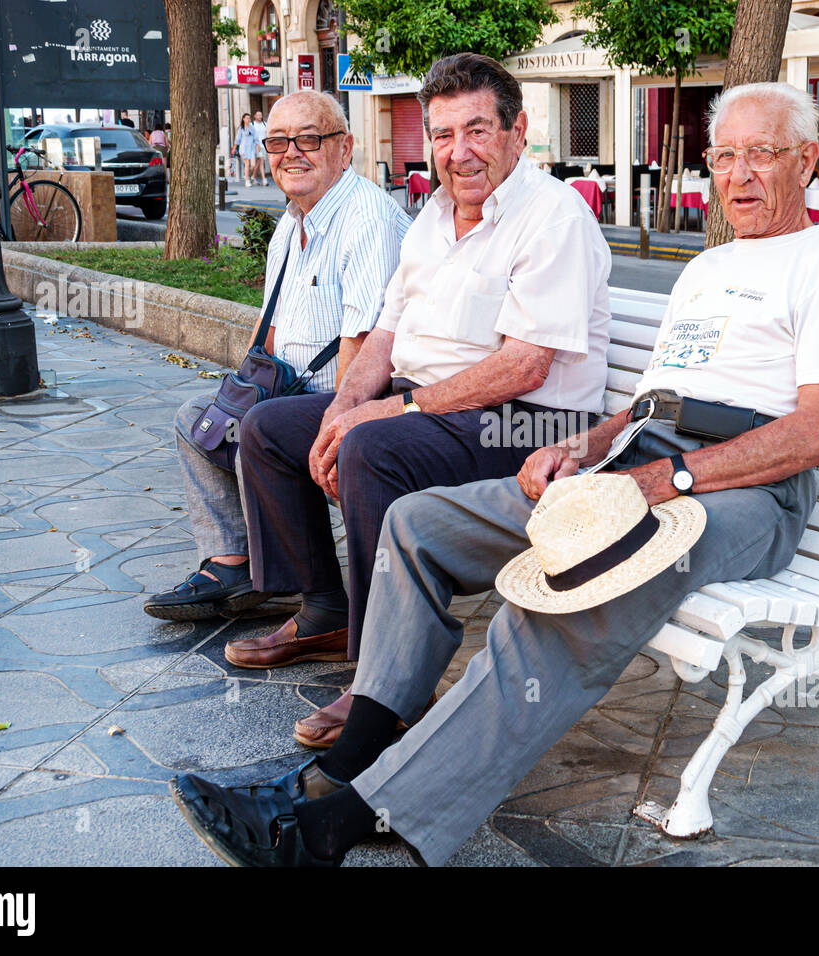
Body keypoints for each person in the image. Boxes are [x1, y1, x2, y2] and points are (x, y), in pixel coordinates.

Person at [170, 80, 819, 867]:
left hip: (744, 492)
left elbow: (817, 432)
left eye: (763, 154)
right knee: (416, 528)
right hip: (639, 464)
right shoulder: (708, 270)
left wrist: (666, 481)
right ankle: (355, 756)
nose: (740, 174)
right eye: (725, 156)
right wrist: (584, 447)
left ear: (809, 161)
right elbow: (655, 400)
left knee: (556, 599)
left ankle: (340, 824)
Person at [217, 52, 612, 747]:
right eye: (441, 134)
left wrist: (391, 412)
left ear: (517, 133)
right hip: (435, 406)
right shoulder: (431, 217)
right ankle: (323, 609)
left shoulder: (551, 217)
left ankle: (390, 679)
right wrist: (341, 408)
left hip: (527, 428)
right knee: (272, 427)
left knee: (375, 447)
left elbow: (525, 365)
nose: (457, 152)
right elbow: (385, 335)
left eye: (477, 130)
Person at [143, 91, 411, 623]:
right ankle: (235, 564)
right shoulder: (290, 222)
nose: (292, 153)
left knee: (263, 427)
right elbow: (267, 335)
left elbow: (365, 344)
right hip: (294, 389)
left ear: (344, 147)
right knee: (198, 420)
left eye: (309, 139)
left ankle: (309, 592)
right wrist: (236, 395)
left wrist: (310, 412)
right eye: (278, 142)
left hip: (359, 396)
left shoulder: (366, 217)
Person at [234, 114, 259, 187]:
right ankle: (247, 181)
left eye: (249, 118)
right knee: (247, 164)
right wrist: (234, 148)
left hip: (251, 149)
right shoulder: (241, 128)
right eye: (247, 118)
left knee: (253, 165)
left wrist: (258, 145)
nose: (248, 119)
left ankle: (246, 174)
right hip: (243, 149)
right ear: (243, 119)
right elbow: (237, 139)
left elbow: (255, 137)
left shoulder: (252, 128)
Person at [253, 110, 270, 186]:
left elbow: (267, 135)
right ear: (255, 116)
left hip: (264, 145)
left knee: (260, 161)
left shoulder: (265, 124)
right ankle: (264, 179)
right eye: (258, 115)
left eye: (261, 115)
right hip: (256, 146)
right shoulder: (252, 125)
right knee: (261, 160)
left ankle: (253, 177)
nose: (260, 116)